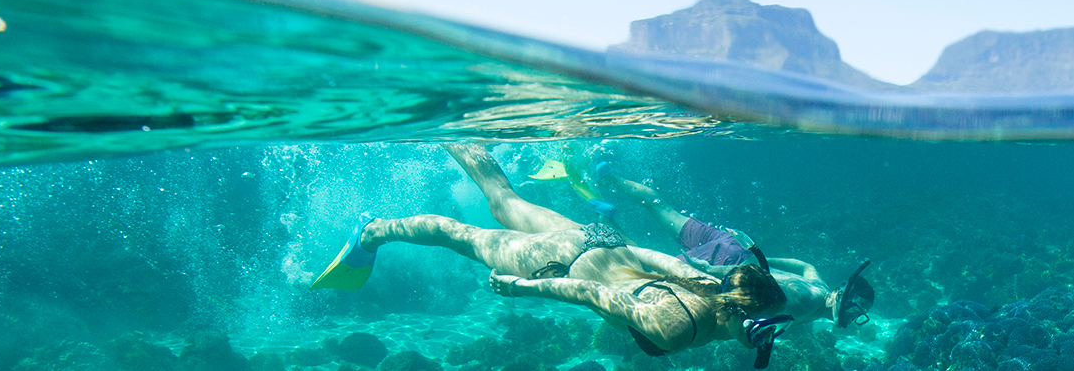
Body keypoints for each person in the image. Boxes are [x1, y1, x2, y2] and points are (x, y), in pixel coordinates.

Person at [307, 144, 866, 367]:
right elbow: (591, 294)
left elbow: (662, 260)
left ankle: (461, 129)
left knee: (504, 201)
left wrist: (607, 238)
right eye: (766, 331)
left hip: (594, 242)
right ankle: (374, 231)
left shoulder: (715, 289)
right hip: (557, 265)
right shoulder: (675, 326)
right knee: (463, 236)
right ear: (752, 314)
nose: (765, 340)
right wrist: (523, 288)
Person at [542, 148, 875, 330]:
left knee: (663, 208)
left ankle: (607, 173)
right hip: (721, 266)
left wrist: (755, 254)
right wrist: (708, 270)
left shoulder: (817, 285)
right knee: (639, 263)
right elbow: (752, 287)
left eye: (861, 314)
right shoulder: (805, 304)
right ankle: (606, 217)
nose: (856, 316)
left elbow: (805, 265)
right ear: (844, 293)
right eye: (858, 307)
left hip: (733, 251)